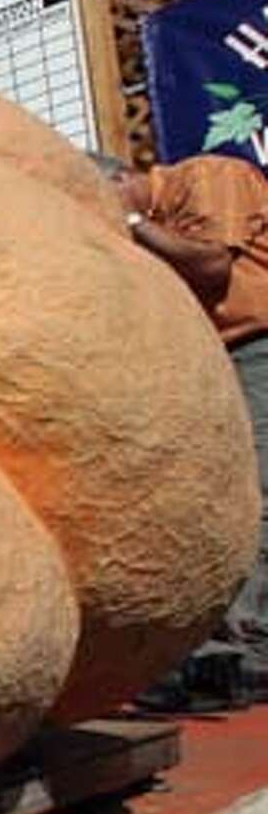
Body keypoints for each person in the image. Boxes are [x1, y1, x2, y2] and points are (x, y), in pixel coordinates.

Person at [111, 153, 268, 695]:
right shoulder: (153, 231)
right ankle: (234, 639)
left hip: (257, 348)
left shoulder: (208, 177)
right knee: (222, 499)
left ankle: (255, 640)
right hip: (213, 362)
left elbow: (213, 265)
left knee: (260, 491)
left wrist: (132, 225)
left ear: (121, 182)